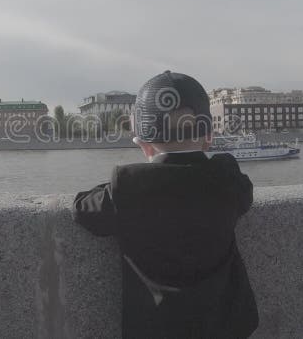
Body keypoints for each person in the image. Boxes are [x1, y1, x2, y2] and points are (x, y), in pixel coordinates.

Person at [73, 71, 258, 338]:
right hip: (226, 325)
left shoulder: (128, 186)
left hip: (157, 329)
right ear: (208, 136)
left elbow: (82, 209)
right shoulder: (227, 177)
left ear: (143, 145)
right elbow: (244, 198)